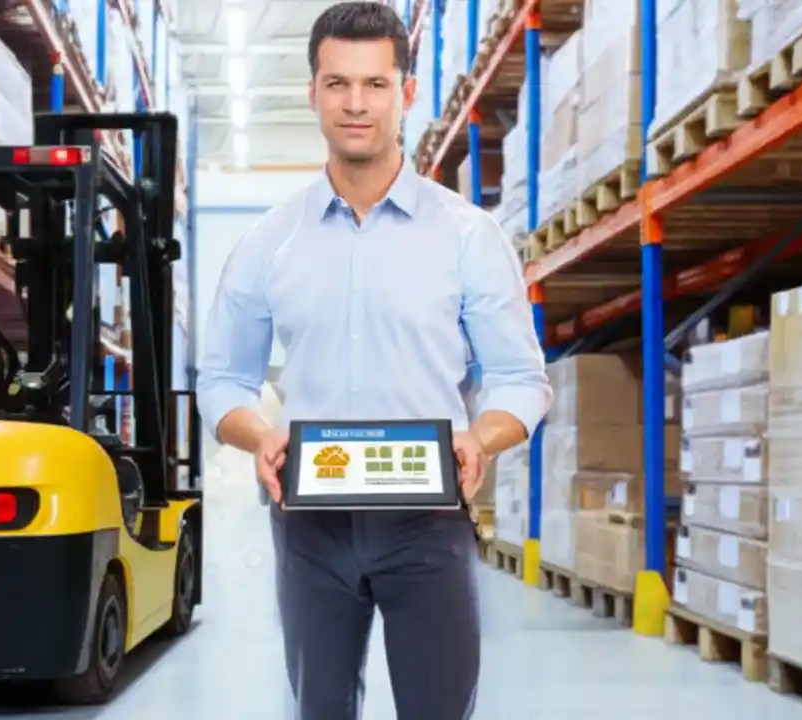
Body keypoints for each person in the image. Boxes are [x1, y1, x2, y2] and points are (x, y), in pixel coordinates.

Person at [196, 2, 553, 718]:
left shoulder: (467, 237)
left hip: (427, 524)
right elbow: (222, 381)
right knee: (321, 708)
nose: (356, 104)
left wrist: (478, 438)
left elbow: (521, 380)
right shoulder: (269, 241)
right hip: (309, 525)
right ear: (313, 92)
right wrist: (261, 436)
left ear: (406, 92)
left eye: (375, 84)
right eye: (337, 84)